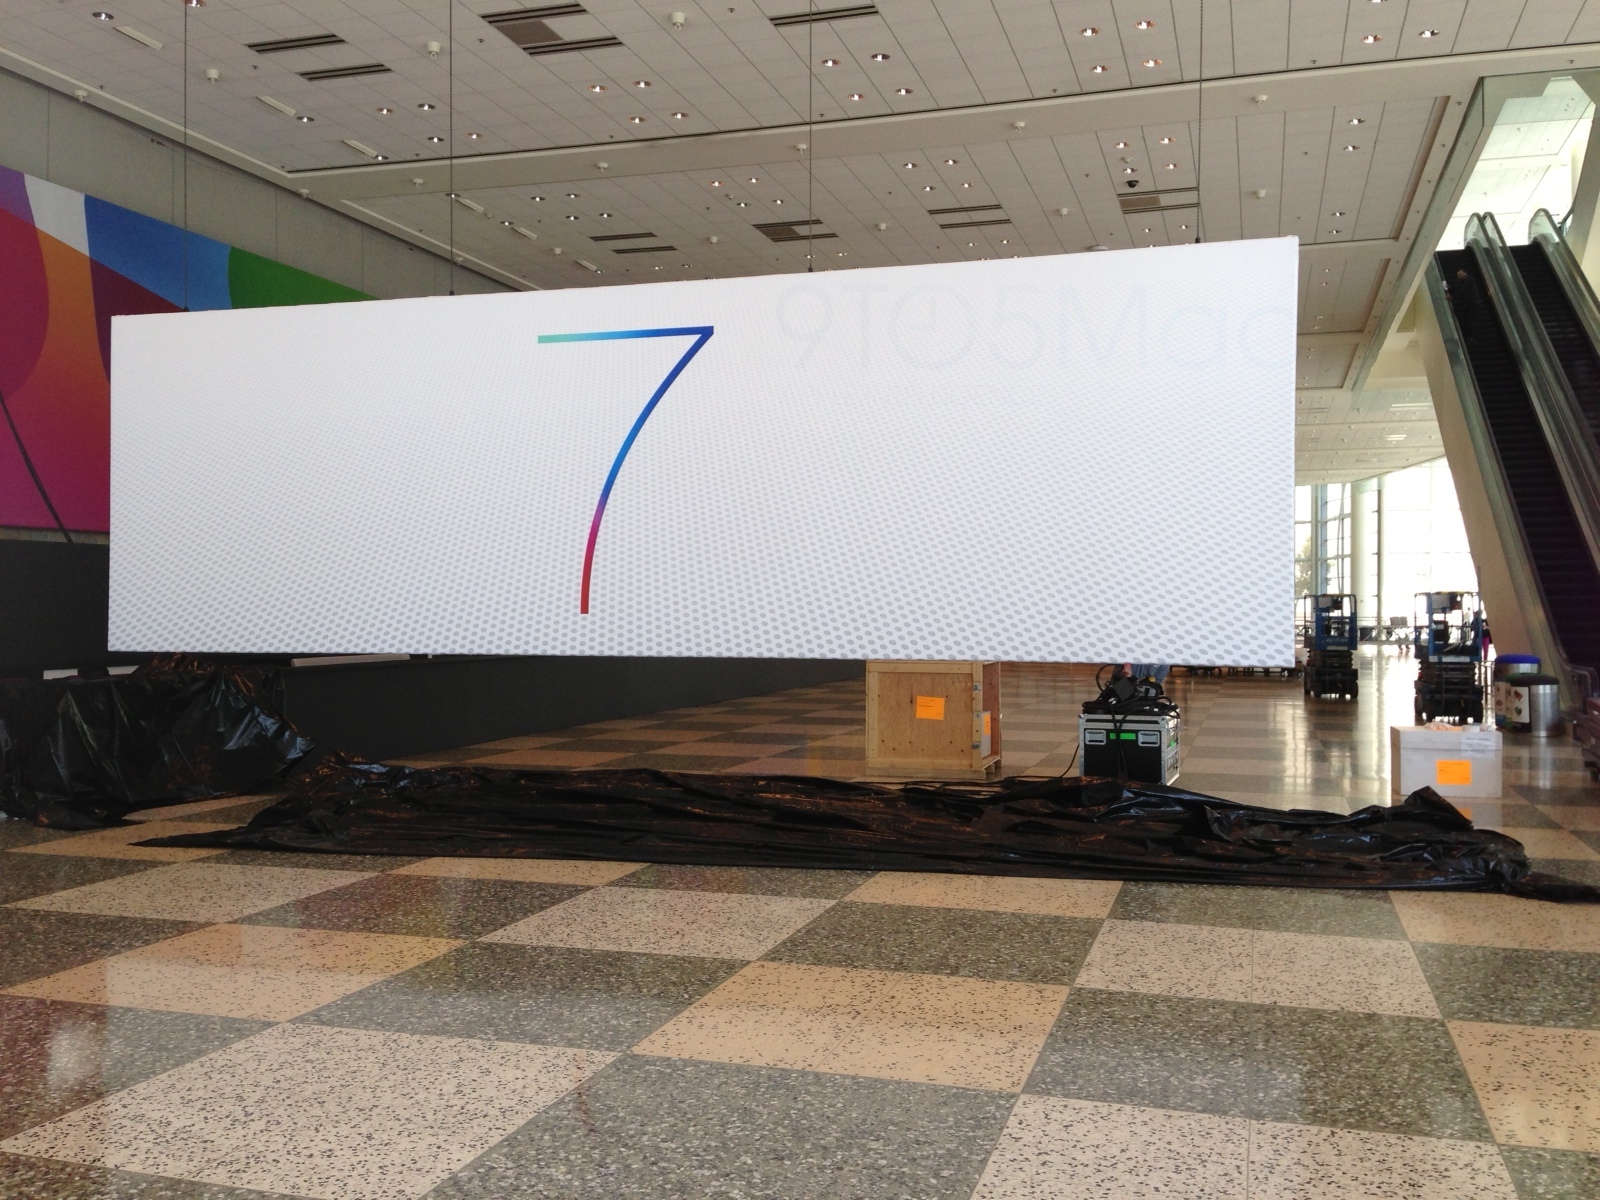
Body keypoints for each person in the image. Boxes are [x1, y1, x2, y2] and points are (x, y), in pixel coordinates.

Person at [1449, 268, 1484, 340]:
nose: (1459, 276)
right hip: (1468, 304)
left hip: (1471, 304)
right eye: (1458, 275)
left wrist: (1452, 296)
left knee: (1470, 319)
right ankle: (1469, 334)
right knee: (1468, 319)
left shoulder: (1469, 280)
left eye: (1460, 274)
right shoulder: (1463, 281)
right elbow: (1458, 287)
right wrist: (1450, 288)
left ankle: (1471, 335)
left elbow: (1462, 290)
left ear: (1465, 273)